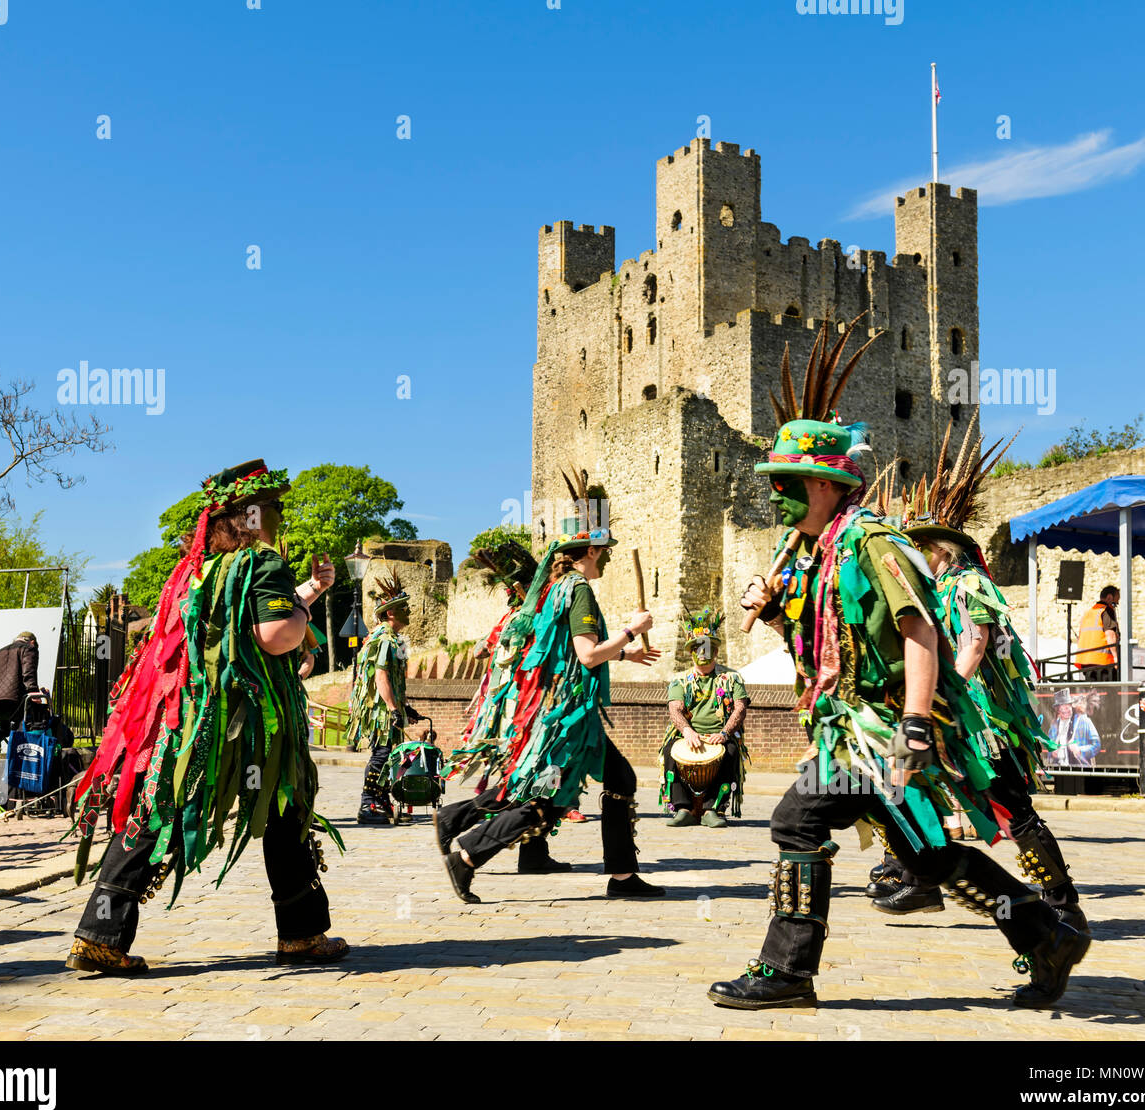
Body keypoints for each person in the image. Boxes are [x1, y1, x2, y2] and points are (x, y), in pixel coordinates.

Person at [706, 319, 1087, 1010]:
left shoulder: (875, 544)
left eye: (788, 481)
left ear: (825, 485)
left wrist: (913, 724)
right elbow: (826, 647)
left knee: (797, 818)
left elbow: (921, 632)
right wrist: (770, 609)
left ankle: (788, 969)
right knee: (926, 857)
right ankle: (1046, 931)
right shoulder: (820, 553)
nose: (777, 494)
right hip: (851, 731)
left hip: (879, 733)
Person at [65, 459, 347, 974]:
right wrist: (303, 610)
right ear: (252, 514)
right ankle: (302, 933)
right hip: (251, 722)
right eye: (275, 505)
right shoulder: (262, 561)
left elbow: (244, 619)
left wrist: (308, 591)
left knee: (159, 810)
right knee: (285, 807)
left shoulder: (198, 570)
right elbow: (276, 635)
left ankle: (99, 935)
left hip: (193, 721)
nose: (281, 512)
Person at [863, 428, 1087, 933]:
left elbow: (976, 643)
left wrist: (950, 693)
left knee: (1011, 805)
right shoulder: (940, 585)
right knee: (924, 787)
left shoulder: (966, 583)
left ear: (941, 549)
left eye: (922, 547)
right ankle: (918, 879)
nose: (916, 554)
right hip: (961, 714)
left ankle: (1060, 901)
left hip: (984, 719)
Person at [438, 523, 667, 903]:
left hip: (562, 712)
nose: (607, 556)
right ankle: (466, 855)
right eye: (604, 550)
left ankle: (623, 875)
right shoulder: (578, 590)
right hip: (569, 719)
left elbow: (565, 650)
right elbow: (587, 654)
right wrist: (632, 630)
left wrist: (627, 653)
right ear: (590, 552)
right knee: (546, 801)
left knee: (619, 778)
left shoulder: (553, 590)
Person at [434, 541, 569, 873]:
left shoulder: (514, 617)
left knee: (535, 784)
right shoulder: (530, 617)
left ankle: (531, 852)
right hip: (526, 714)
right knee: (532, 783)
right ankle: (455, 822)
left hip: (519, 714)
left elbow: (481, 651)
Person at [348, 570, 430, 825]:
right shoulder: (384, 639)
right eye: (403, 608)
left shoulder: (394, 639)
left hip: (388, 708)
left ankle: (381, 800)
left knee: (388, 754)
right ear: (390, 613)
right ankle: (367, 803)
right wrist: (394, 709)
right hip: (381, 710)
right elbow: (380, 676)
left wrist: (405, 708)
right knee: (381, 754)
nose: (409, 611)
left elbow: (394, 681)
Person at [656, 607, 750, 828]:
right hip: (689, 734)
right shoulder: (680, 680)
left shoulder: (732, 677)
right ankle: (682, 808)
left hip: (720, 733)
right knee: (670, 751)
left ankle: (713, 809)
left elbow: (740, 708)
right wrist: (688, 731)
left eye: (707, 650)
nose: (702, 654)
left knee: (731, 752)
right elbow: (675, 709)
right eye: (697, 650)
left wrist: (724, 733)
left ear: (716, 652)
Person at [1076, 586, 1120, 681]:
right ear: (1109, 597)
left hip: (1086, 662)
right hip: (1103, 663)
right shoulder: (1106, 610)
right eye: (1115, 603)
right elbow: (1110, 634)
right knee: (1109, 693)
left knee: (1094, 693)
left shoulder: (1088, 613)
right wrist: (1116, 657)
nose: (1115, 606)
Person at [1048, 690, 1101, 767]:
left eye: (1068, 705)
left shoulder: (1083, 721)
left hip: (1080, 770)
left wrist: (1080, 750)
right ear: (1058, 710)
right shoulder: (1054, 726)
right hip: (1059, 770)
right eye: (1063, 707)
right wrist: (1052, 752)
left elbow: (1097, 745)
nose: (1067, 709)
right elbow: (1049, 748)